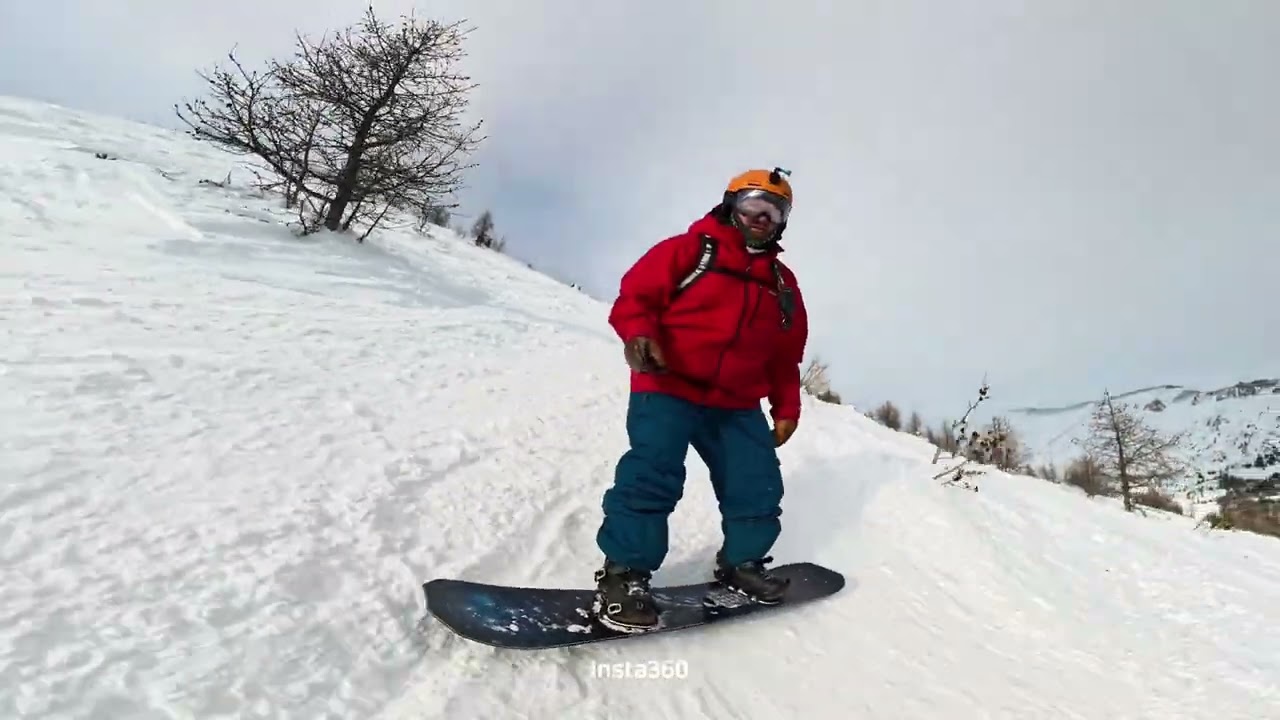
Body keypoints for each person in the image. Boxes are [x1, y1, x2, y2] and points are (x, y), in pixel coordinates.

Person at [592, 167, 809, 632]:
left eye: (774, 211)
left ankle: (742, 564)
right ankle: (624, 574)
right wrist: (639, 335)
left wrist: (787, 408)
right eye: (754, 204)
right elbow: (634, 300)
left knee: (757, 483)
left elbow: (785, 357)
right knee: (653, 473)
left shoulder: (783, 285)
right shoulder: (690, 251)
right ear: (731, 204)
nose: (762, 217)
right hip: (668, 385)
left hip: (736, 402)